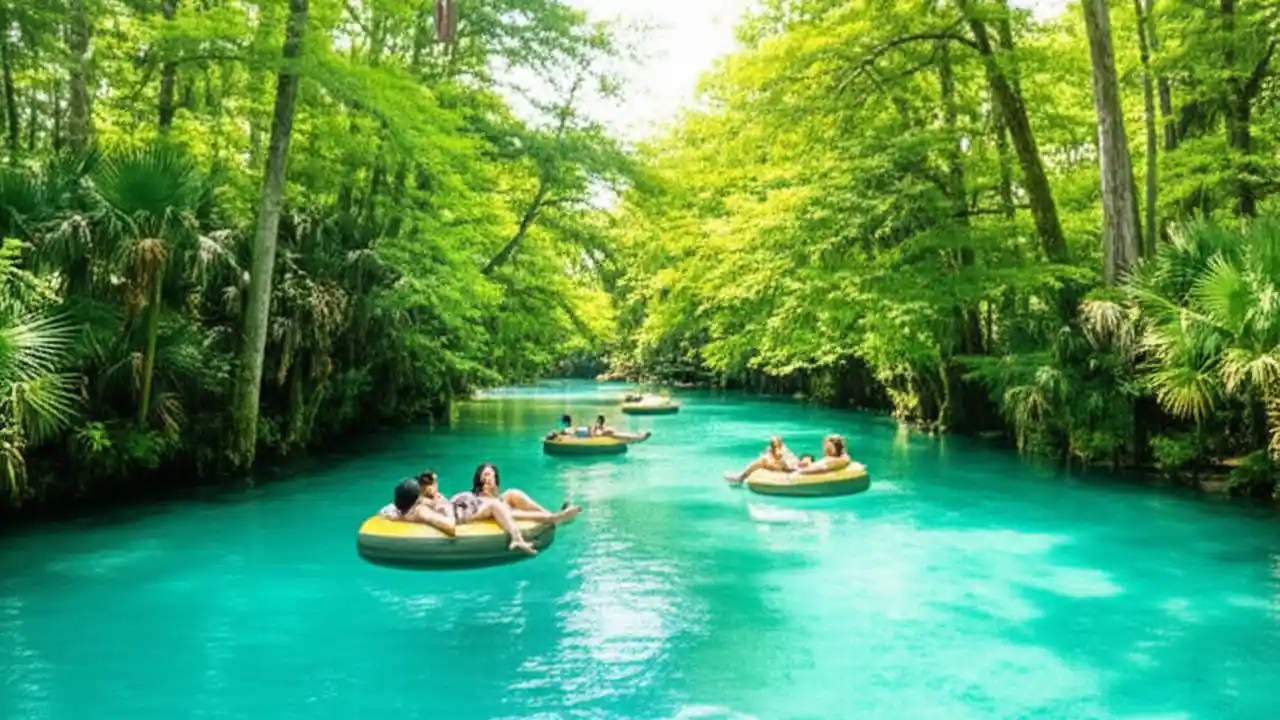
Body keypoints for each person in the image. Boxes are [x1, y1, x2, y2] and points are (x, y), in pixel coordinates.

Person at [452, 463, 581, 527]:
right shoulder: (473, 494)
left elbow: (497, 501)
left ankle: (548, 514)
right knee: (501, 508)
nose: (490, 477)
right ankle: (555, 518)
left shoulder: (496, 493)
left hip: (495, 504)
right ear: (479, 477)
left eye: (492, 474)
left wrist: (494, 494)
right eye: (486, 474)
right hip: (483, 510)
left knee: (513, 493)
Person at [724, 436, 799, 483]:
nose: (773, 445)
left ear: (780, 444)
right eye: (772, 444)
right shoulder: (770, 450)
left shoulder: (783, 451)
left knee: (762, 461)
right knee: (762, 460)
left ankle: (741, 477)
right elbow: (765, 456)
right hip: (778, 467)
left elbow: (788, 463)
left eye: (775, 443)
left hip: (785, 469)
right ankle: (742, 476)